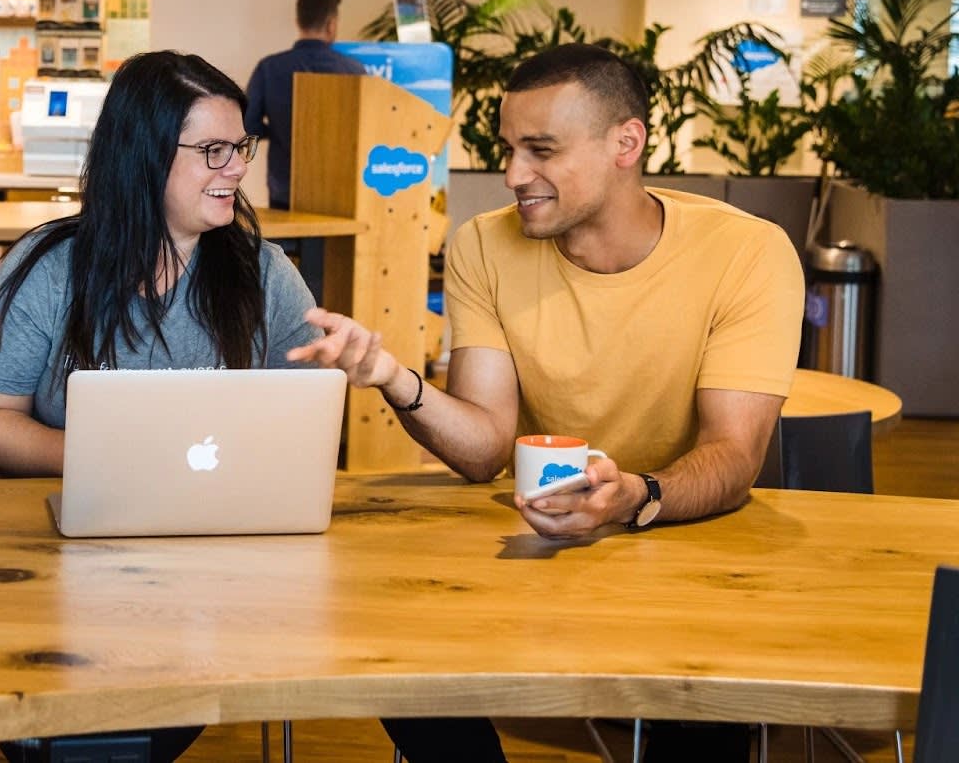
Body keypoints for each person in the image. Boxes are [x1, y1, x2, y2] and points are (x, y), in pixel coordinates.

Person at [294, 43, 806, 763]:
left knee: (704, 722)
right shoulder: (483, 245)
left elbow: (734, 453)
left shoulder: (749, 252)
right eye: (507, 148)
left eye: (540, 150)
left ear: (626, 142)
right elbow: (484, 449)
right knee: (394, 653)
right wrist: (395, 378)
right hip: (543, 550)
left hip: (689, 551)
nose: (512, 175)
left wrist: (635, 495)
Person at [0, 50, 409, 762]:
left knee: (134, 712)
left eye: (241, 148)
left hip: (202, 565)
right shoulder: (49, 268)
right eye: (213, 151)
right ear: (144, 157)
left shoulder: (259, 270)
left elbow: (298, 409)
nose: (237, 169)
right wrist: (107, 461)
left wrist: (345, 366)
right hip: (50, 563)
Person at [244, 0, 365, 210]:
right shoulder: (354, 71)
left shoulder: (269, 68)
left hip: (284, 187)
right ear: (331, 25)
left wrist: (277, 131)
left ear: (298, 22)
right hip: (340, 190)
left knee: (283, 246)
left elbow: (247, 125)